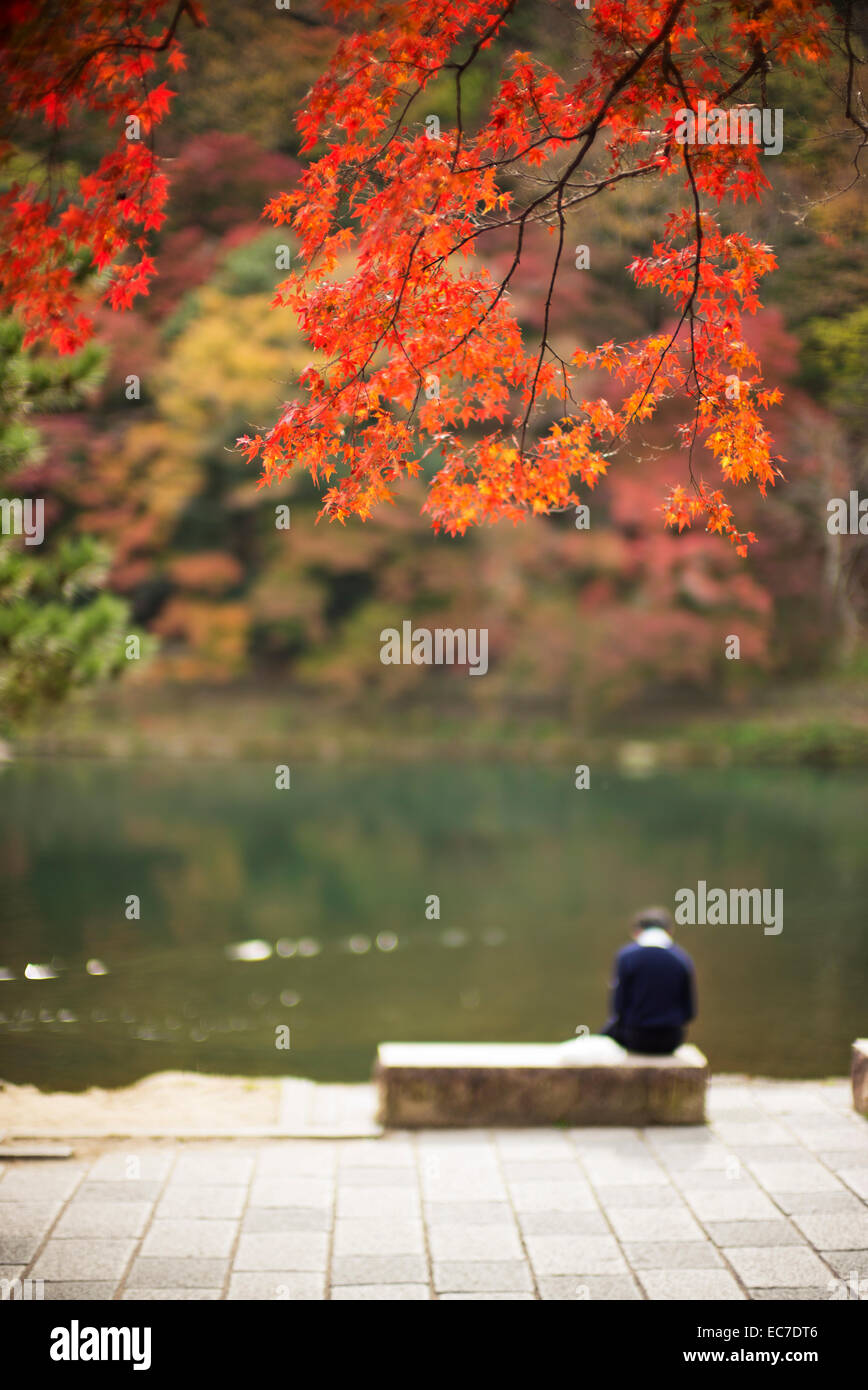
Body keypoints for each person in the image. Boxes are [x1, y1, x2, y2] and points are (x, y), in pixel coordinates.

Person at [601, 907, 696, 1055]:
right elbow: (689, 1012)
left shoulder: (626, 957)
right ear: (670, 931)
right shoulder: (682, 959)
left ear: (637, 931)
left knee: (606, 1032)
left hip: (635, 1039)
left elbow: (617, 1008)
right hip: (671, 1040)